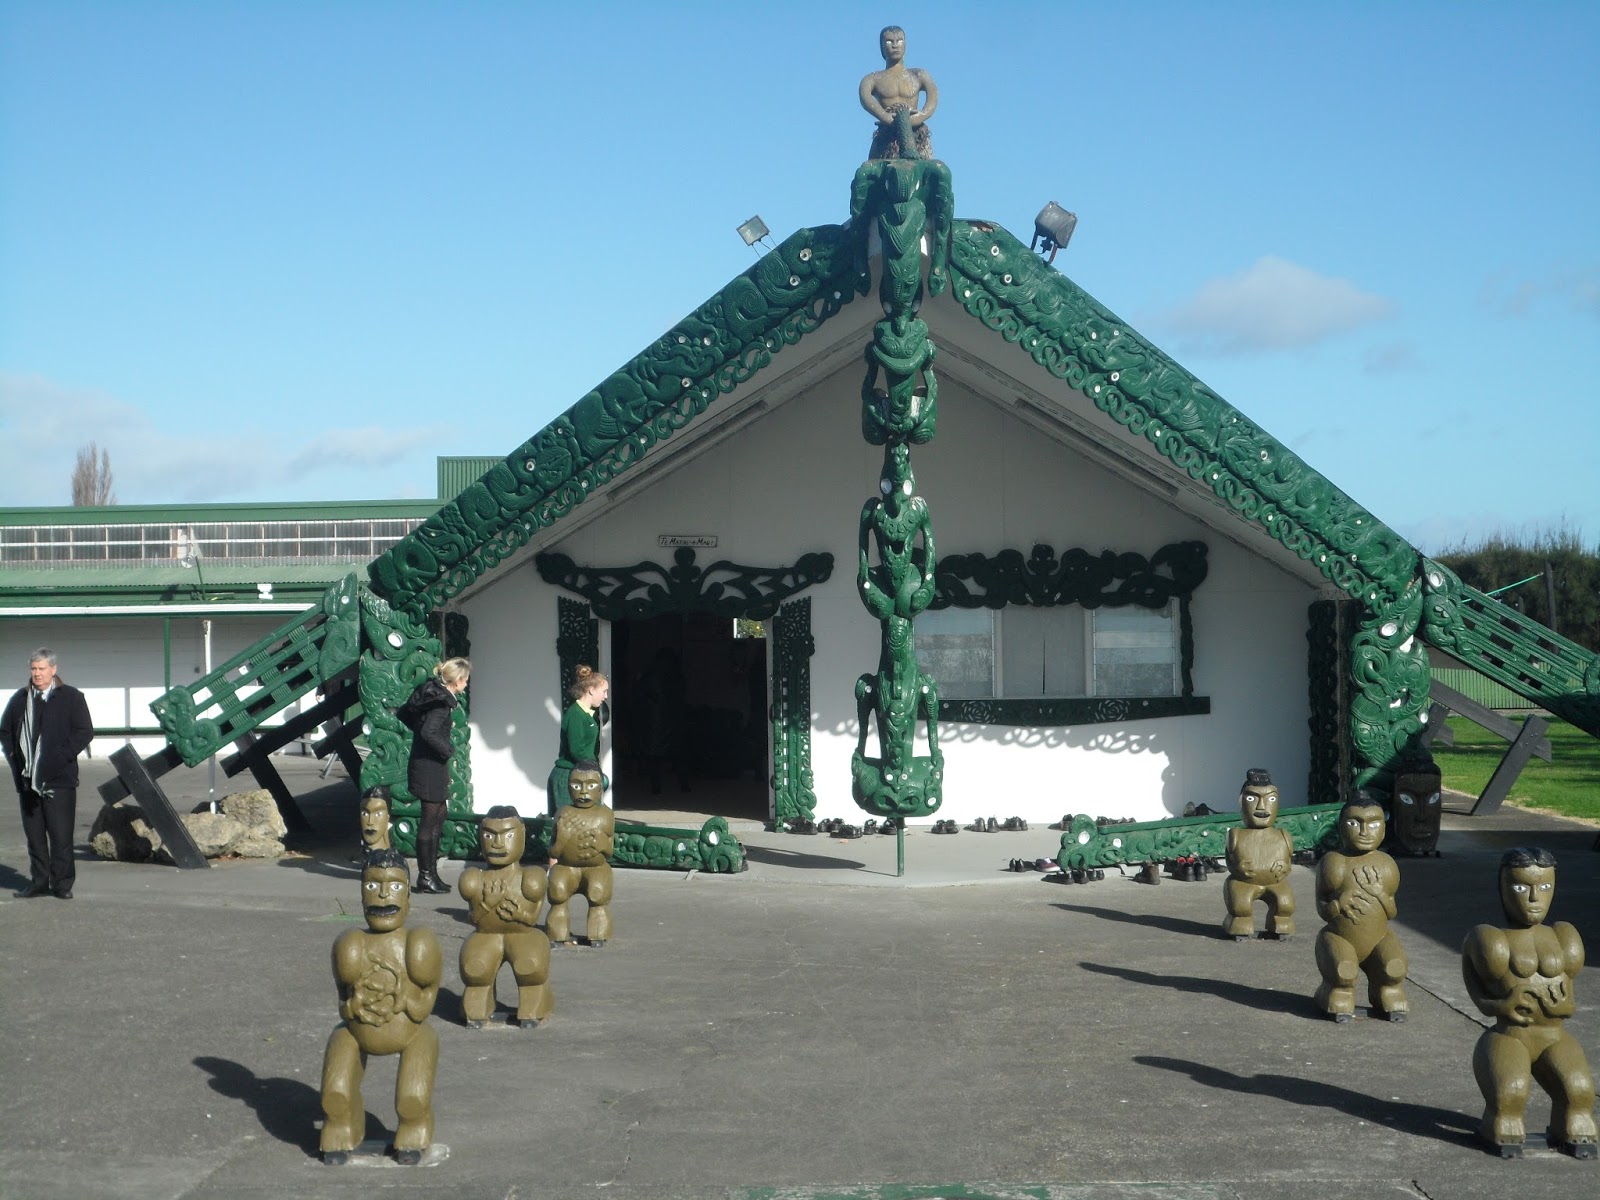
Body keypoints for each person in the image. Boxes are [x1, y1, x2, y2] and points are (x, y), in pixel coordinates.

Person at [1462, 847, 1596, 1157]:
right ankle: (1500, 1126)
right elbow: (1477, 989)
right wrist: (1502, 1005)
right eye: (1522, 887)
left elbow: (1570, 1002)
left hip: (1553, 1037)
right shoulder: (1490, 939)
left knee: (1579, 1093)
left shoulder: (1563, 936)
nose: (1534, 898)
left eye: (1544, 887)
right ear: (1503, 887)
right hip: (1511, 1036)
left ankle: (1571, 1131)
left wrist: (1559, 1008)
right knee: (1510, 1098)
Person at [1, 648, 95, 899]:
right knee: (35, 837)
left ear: (54, 669)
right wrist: (14, 758)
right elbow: (6, 731)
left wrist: (62, 756)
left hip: (59, 780)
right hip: (27, 780)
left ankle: (62, 885)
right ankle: (39, 882)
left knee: (61, 836)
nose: (37, 674)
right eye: (33, 669)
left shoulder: (71, 697)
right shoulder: (21, 699)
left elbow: (84, 731)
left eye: (42, 669)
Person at [396, 658, 471, 895]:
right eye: (465, 680)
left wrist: (422, 735)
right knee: (431, 818)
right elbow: (428, 731)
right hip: (428, 765)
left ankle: (431, 874)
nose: (466, 685)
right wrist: (447, 750)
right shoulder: (440, 704)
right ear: (457, 680)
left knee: (440, 813)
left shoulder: (432, 697)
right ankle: (426, 876)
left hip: (429, 763)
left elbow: (406, 715)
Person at [859, 25, 938, 160]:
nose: (895, 45)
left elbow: (933, 97)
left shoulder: (918, 75)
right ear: (882, 46)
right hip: (887, 134)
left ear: (905, 44)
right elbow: (865, 96)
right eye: (889, 41)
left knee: (930, 169)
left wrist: (919, 117)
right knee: (869, 173)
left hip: (916, 133)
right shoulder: (873, 79)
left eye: (899, 40)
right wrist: (885, 117)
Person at [547, 664, 609, 816]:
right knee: (567, 824)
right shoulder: (575, 714)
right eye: (604, 691)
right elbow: (577, 750)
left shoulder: (588, 714)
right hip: (569, 776)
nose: (605, 696)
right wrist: (594, 770)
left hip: (582, 775)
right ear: (591, 690)